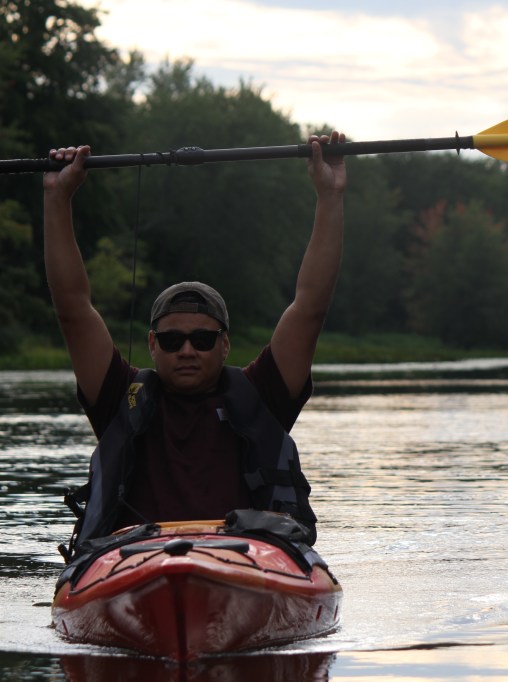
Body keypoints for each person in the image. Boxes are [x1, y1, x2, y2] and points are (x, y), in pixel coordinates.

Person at [43, 132, 346, 555]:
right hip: (135, 560)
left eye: (203, 339)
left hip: (244, 557)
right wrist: (57, 198)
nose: (187, 351)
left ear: (225, 345)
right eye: (172, 340)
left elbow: (310, 307)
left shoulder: (262, 394)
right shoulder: (119, 397)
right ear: (152, 344)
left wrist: (330, 194)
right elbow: (73, 310)